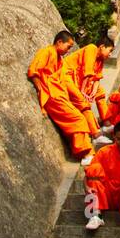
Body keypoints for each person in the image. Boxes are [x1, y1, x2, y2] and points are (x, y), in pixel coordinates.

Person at [27, 31, 97, 162]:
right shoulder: (46, 52)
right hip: (52, 95)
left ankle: (85, 151)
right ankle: (86, 153)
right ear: (59, 42)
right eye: (68, 46)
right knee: (78, 119)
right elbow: (33, 71)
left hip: (59, 95)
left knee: (77, 118)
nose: (68, 50)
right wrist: (41, 90)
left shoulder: (60, 59)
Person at [72, 35, 115, 123]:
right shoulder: (92, 48)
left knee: (100, 90)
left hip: (81, 81)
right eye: (110, 51)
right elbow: (88, 72)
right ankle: (95, 130)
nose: (110, 54)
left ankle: (107, 121)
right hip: (71, 78)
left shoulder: (100, 60)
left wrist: (94, 92)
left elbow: (97, 77)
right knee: (83, 101)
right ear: (102, 47)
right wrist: (83, 91)